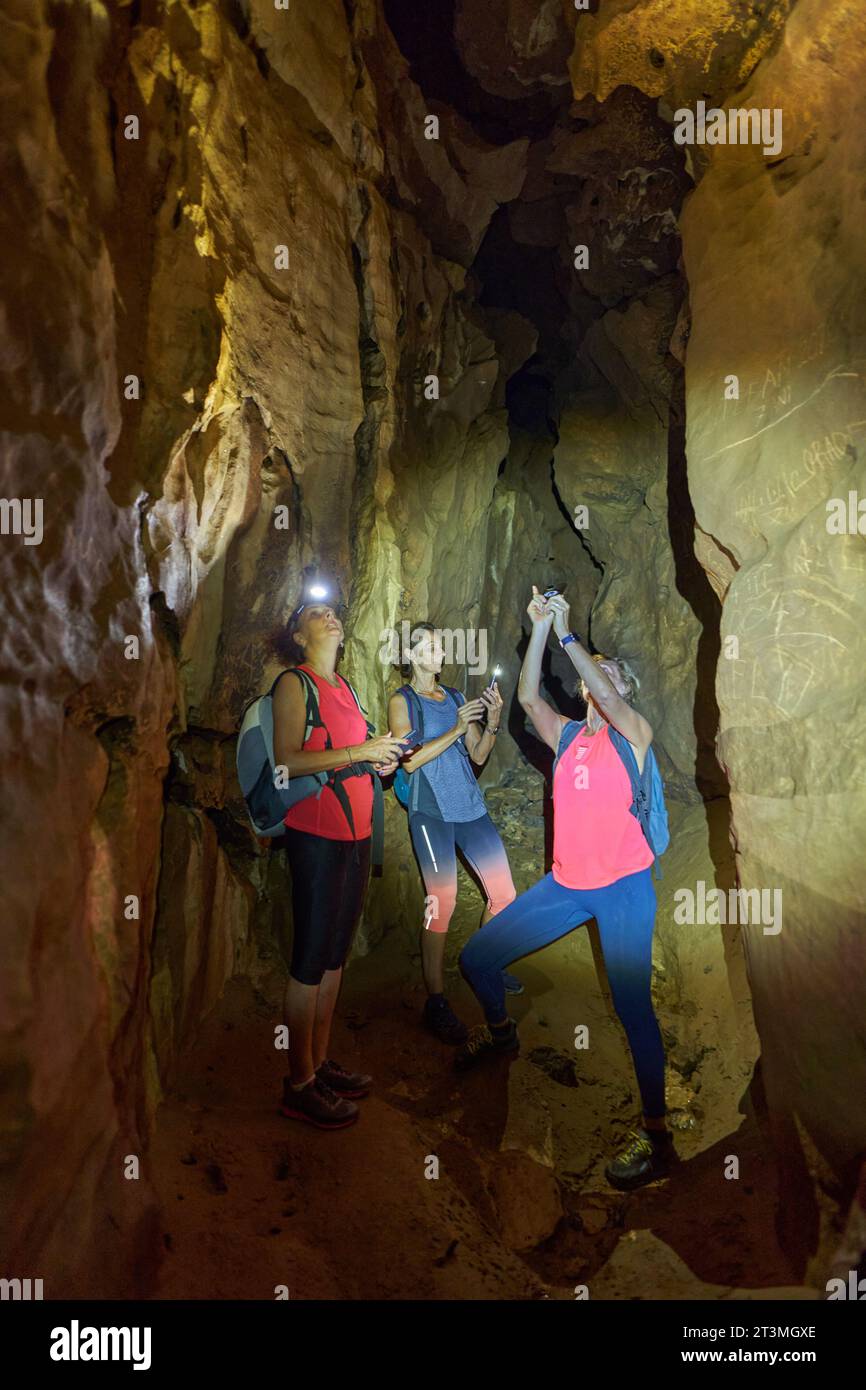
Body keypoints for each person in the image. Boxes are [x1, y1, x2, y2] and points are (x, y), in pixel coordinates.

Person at [456, 587, 673, 1191]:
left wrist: (572, 634)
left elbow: (604, 692)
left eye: (608, 677)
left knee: (634, 1009)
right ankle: (502, 1033)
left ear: (622, 690)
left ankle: (656, 1133)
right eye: (590, 678)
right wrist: (540, 629)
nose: (596, 684)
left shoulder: (634, 733)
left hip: (625, 888)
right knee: (477, 958)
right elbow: (527, 696)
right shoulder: (571, 738)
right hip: (567, 887)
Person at [272, 598, 408, 1129]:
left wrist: (384, 753)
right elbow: (287, 760)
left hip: (357, 835)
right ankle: (298, 1084)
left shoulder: (346, 689)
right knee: (309, 960)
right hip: (317, 836)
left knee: (334, 958)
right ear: (299, 635)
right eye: (314, 612)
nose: (329, 616)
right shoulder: (294, 684)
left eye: (333, 611)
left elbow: (361, 748)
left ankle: (319, 1062)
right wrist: (360, 753)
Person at [388, 622, 522, 1045]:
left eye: (440, 645)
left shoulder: (458, 698)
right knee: (440, 902)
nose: (439, 651)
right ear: (410, 656)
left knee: (503, 893)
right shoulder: (402, 701)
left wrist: (493, 721)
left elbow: (479, 754)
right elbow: (408, 761)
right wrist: (455, 730)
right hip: (431, 811)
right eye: (429, 645)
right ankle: (437, 1000)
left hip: (469, 807)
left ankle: (486, 961)